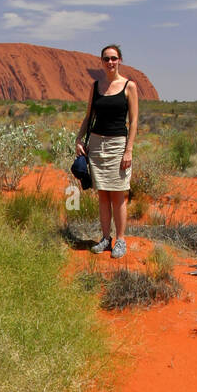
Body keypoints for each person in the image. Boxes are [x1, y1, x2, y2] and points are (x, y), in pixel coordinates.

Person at [74, 44, 138, 258]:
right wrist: (79, 138)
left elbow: (134, 121)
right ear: (101, 61)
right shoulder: (96, 86)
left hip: (118, 145)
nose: (110, 62)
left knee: (118, 194)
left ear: (120, 60)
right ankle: (105, 238)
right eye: (106, 59)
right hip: (96, 144)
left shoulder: (129, 86)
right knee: (102, 194)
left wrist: (128, 150)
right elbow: (88, 115)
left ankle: (120, 240)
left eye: (113, 58)